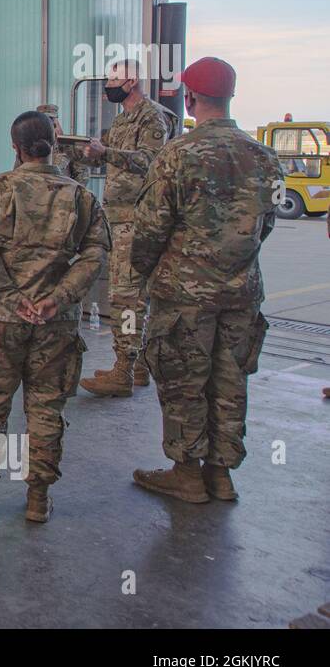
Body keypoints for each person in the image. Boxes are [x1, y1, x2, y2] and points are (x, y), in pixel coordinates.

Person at [130, 57, 282, 503]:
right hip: (242, 292)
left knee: (183, 380)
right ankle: (222, 475)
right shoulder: (263, 155)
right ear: (230, 96)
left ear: (191, 98)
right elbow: (266, 223)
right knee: (231, 381)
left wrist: (143, 271)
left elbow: (151, 228)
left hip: (184, 294)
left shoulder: (178, 154)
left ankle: (187, 473)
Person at [0, 111, 110, 523]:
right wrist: (60, 297)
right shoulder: (81, 196)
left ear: (15, 147)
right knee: (46, 408)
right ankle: (38, 499)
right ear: (54, 143)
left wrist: (7, 295)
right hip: (54, 323)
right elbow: (95, 255)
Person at [79, 60, 171, 397]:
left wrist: (108, 153)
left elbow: (151, 161)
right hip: (117, 216)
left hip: (136, 219)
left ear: (131, 81)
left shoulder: (152, 118)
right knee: (128, 296)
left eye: (115, 79)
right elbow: (108, 157)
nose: (109, 85)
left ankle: (123, 369)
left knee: (126, 298)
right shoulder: (120, 121)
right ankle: (139, 368)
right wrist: (92, 153)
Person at [14, 105, 89, 183]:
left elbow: (82, 175)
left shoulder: (68, 146)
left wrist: (69, 190)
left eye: (52, 122)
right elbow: (17, 173)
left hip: (62, 191)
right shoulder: (28, 145)